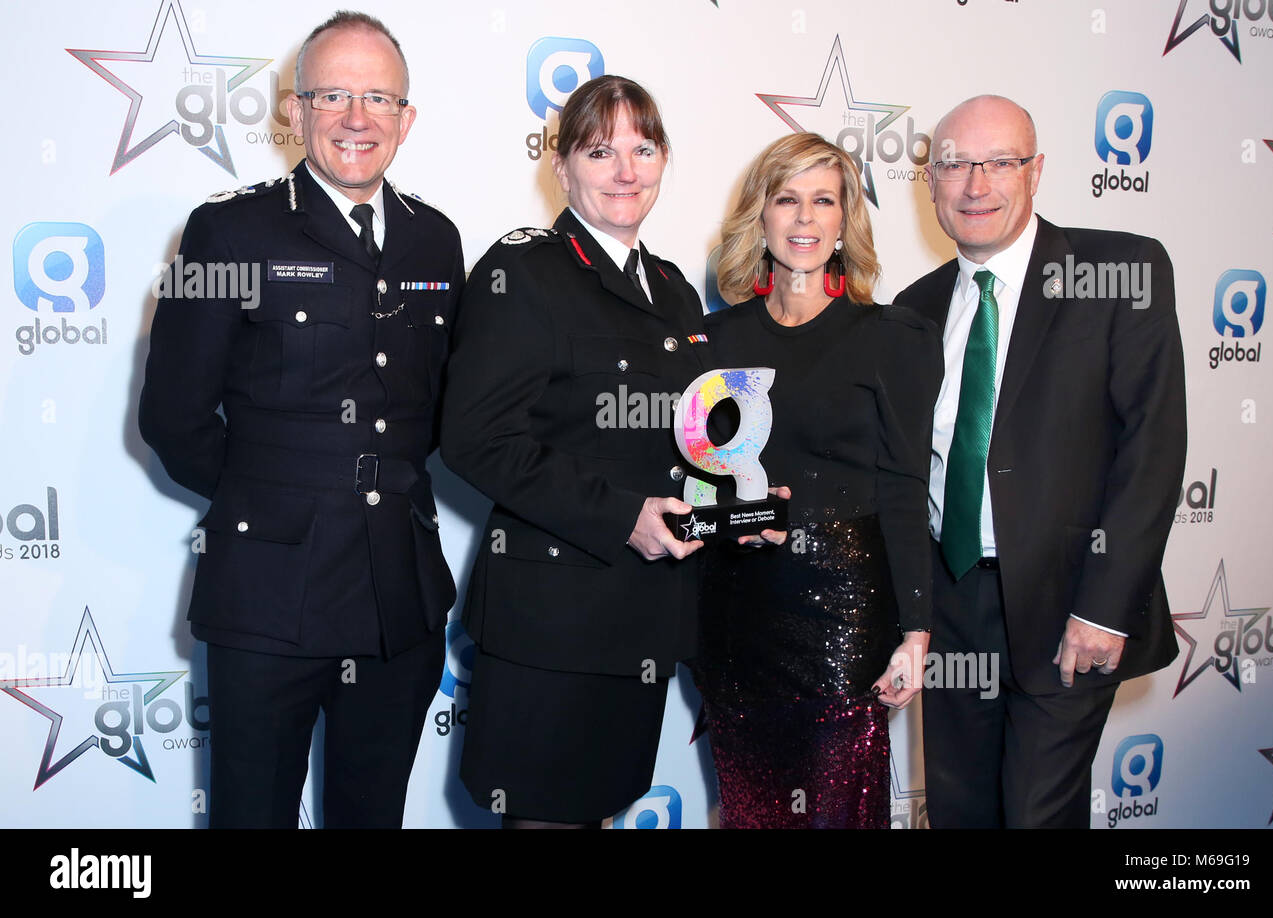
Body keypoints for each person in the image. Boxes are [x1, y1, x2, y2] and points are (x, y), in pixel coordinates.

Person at [138, 12, 462, 828]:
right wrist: (272, 503)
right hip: (268, 599)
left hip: (401, 597)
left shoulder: (437, 240)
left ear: (407, 119)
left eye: (379, 99)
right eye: (334, 96)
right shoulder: (229, 230)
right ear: (293, 110)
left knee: (371, 816)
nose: (358, 118)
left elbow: (430, 412)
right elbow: (174, 419)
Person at [893, 95, 1186, 828]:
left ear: (1037, 171)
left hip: (1070, 608)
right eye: (954, 165)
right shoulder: (913, 309)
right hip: (952, 606)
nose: (975, 185)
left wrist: (1104, 606)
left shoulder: (1120, 269)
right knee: (961, 813)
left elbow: (1153, 447)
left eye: (1000, 163)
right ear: (930, 183)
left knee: (1034, 814)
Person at [439, 75, 712, 828]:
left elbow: (691, 449)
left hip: (644, 623)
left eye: (642, 148)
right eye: (601, 151)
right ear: (561, 167)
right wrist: (622, 516)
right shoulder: (523, 270)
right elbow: (475, 437)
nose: (626, 170)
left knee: (602, 811)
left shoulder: (673, 290)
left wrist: (738, 505)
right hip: (551, 626)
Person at [690, 132, 941, 828]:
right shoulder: (713, 341)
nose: (804, 219)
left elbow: (903, 487)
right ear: (761, 216)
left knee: (836, 813)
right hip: (737, 621)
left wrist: (915, 630)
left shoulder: (895, 337)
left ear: (845, 220)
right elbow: (696, 489)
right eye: (787, 199)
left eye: (823, 200)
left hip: (843, 617)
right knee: (753, 811)